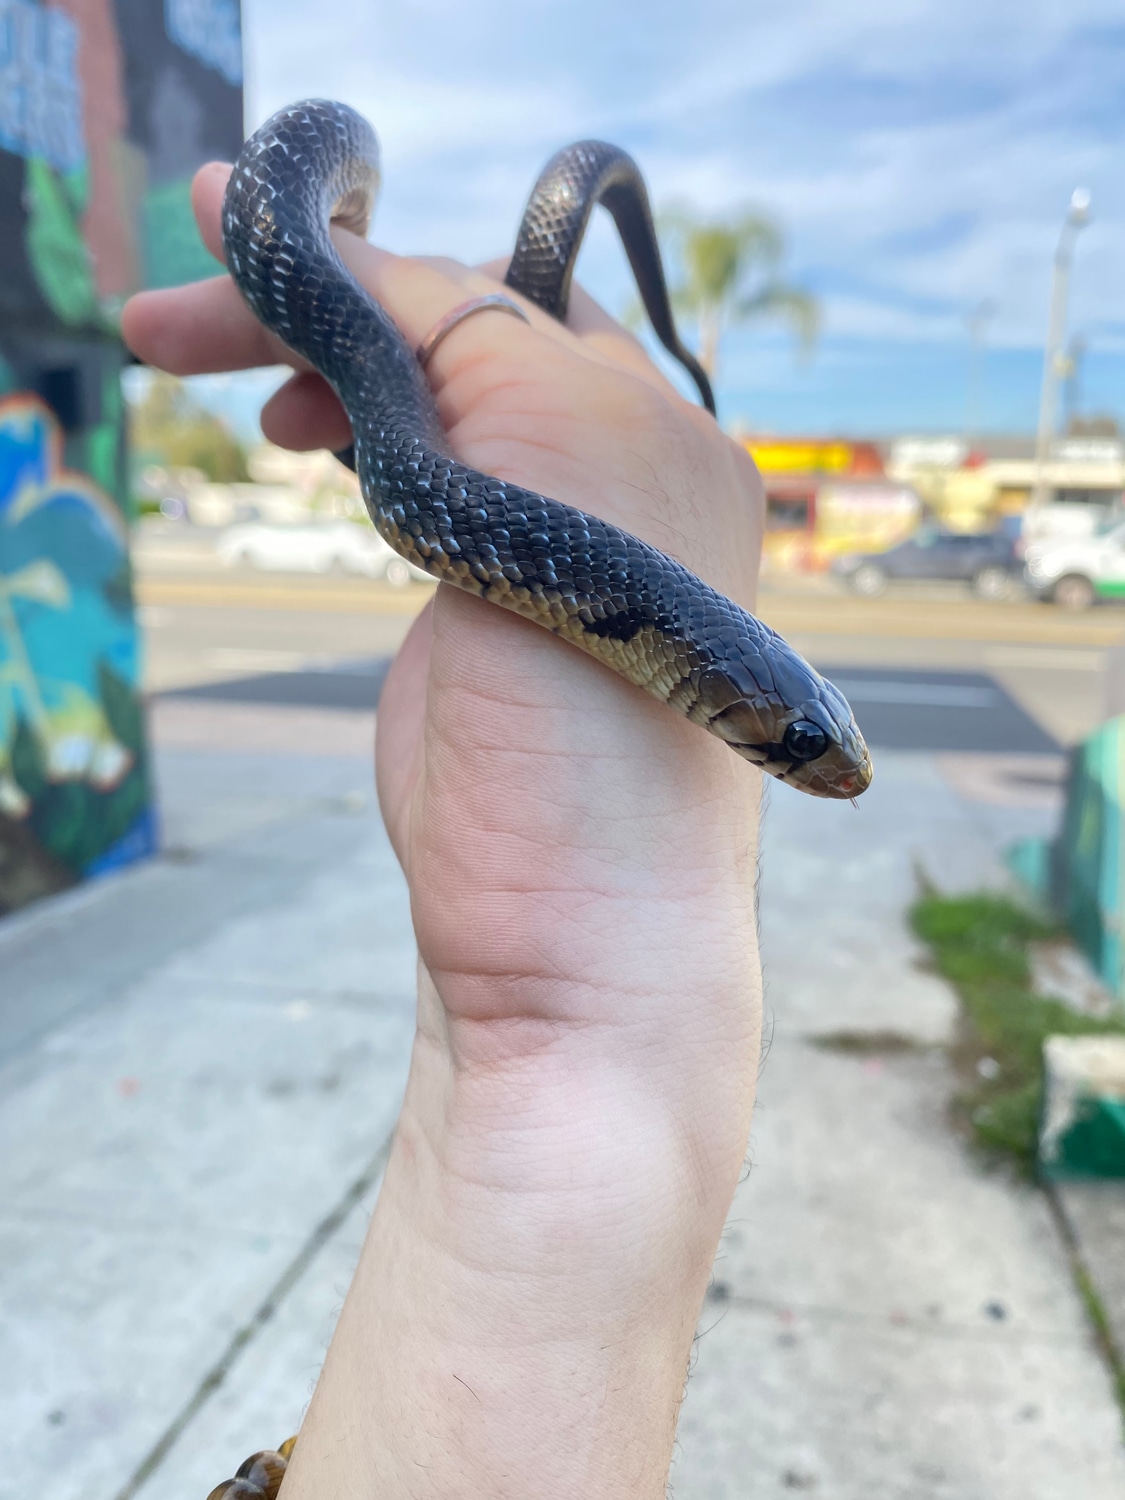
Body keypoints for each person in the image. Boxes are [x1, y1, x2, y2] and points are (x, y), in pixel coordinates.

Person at [122, 160, 765, 1499]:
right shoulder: (521, 543)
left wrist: (574, 1023)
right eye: (787, 744)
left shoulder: (591, 593)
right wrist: (579, 1038)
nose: (802, 766)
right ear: (712, 686)